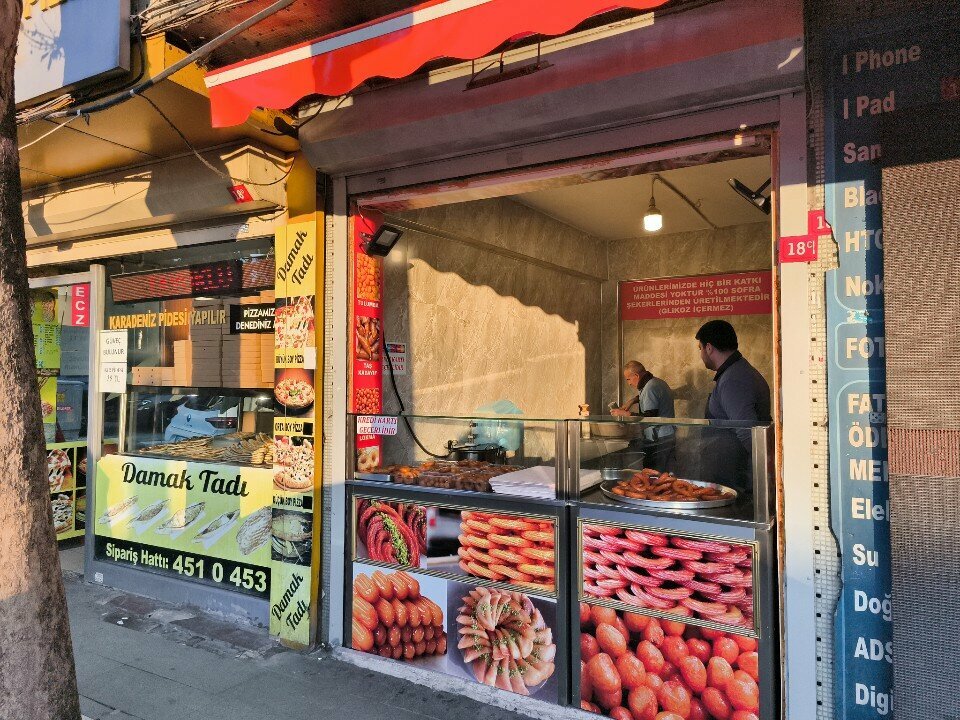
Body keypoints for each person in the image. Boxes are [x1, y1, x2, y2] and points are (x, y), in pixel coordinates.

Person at [695, 319, 771, 491]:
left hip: (735, 480)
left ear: (709, 348)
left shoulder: (734, 379)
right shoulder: (737, 372)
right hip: (729, 476)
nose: (700, 355)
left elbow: (747, 431)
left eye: (700, 349)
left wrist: (764, 475)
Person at [610, 360, 675, 471]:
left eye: (628, 379)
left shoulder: (650, 387)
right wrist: (632, 401)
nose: (629, 383)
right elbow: (646, 396)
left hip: (659, 440)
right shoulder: (656, 382)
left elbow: (650, 417)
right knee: (663, 474)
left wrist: (626, 414)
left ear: (636, 375)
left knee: (653, 475)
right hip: (667, 436)